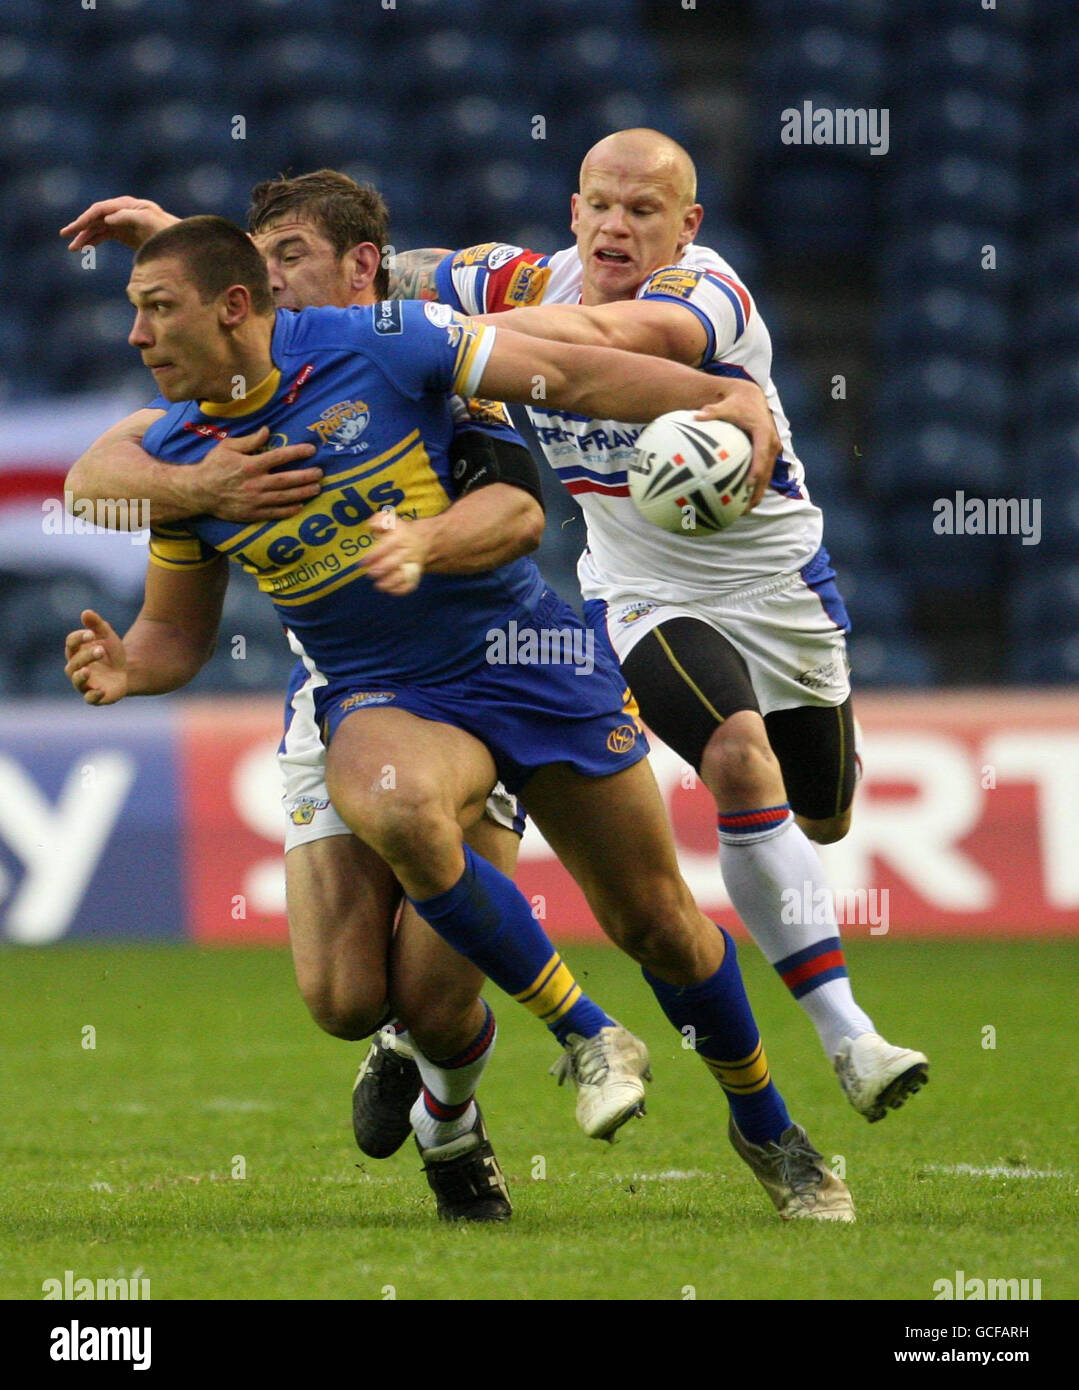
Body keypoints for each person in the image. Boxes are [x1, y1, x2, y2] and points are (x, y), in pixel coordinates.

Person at [65, 215, 853, 1223]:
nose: (136, 339)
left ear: (230, 309)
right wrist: (129, 668)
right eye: (134, 314)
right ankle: (585, 1033)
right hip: (383, 689)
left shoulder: (382, 342)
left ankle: (766, 1124)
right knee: (389, 808)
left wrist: (720, 395)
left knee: (657, 922)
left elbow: (564, 377)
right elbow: (172, 634)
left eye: (155, 311)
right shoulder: (177, 455)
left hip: (529, 659)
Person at [385, 127, 928, 1123]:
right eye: (600, 203)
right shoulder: (515, 282)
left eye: (644, 211)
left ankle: (818, 864)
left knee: (825, 811)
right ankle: (850, 1037)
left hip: (779, 590)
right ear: (573, 209)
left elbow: (629, 344)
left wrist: (465, 339)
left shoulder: (709, 293)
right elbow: (392, 268)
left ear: (688, 225)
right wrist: (349, 285)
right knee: (735, 760)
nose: (617, 226)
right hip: (642, 591)